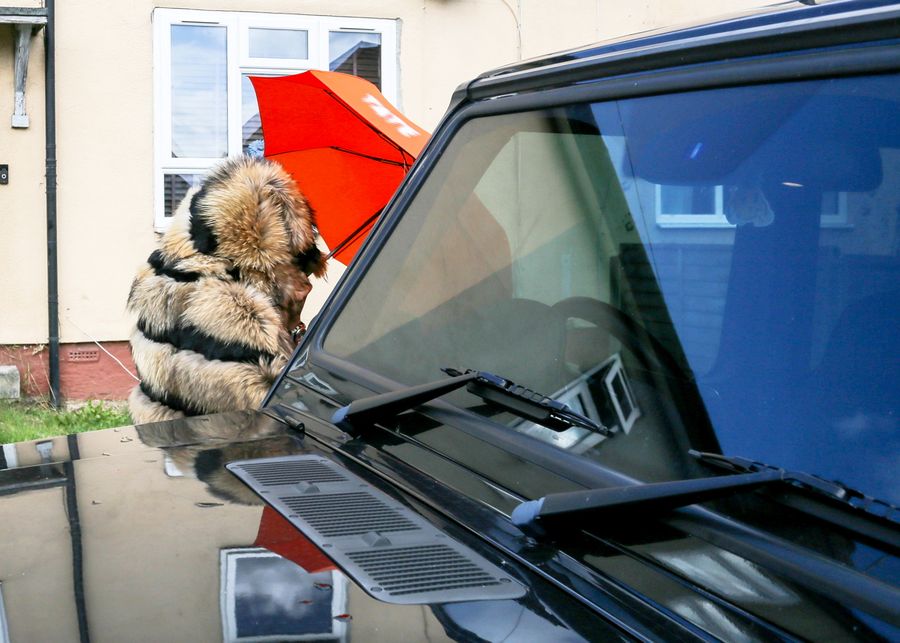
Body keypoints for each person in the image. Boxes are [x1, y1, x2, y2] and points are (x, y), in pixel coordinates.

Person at [127, 156, 326, 424]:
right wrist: (290, 326)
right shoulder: (236, 315)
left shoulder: (161, 279)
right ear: (264, 248)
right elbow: (275, 414)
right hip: (221, 453)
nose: (305, 279)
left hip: (163, 442)